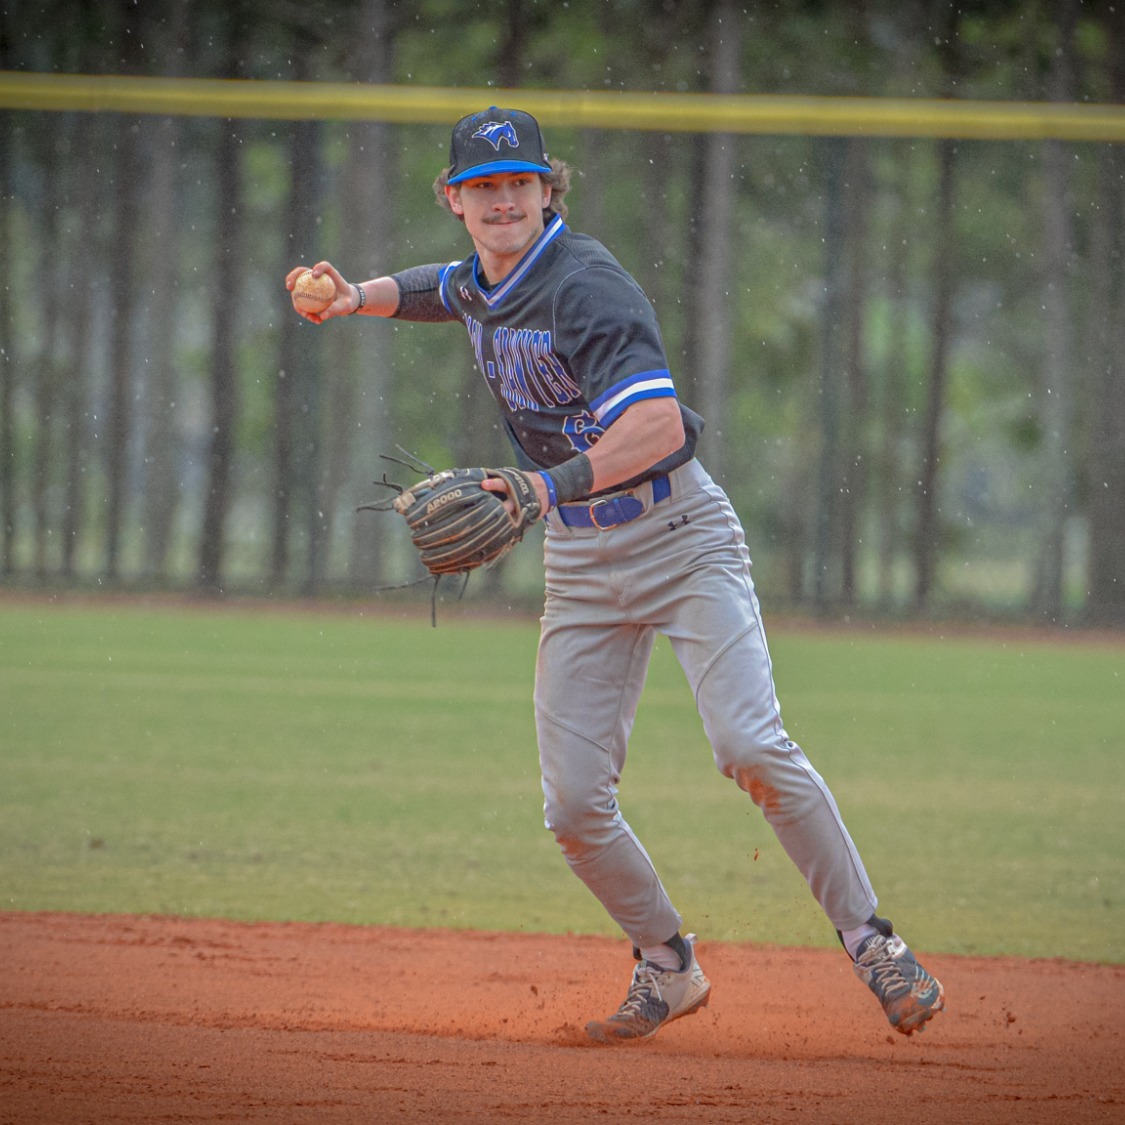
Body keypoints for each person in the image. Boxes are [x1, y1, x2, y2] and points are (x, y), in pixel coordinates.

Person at [286, 106, 943, 1044]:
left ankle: (873, 942)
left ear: (548, 190)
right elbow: (447, 289)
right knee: (572, 803)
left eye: (520, 183)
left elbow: (659, 427)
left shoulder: (588, 285)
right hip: (583, 556)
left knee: (749, 745)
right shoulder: (485, 274)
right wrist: (358, 296)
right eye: (483, 187)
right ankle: (667, 964)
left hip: (679, 534)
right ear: (455, 200)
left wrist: (539, 486)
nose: (502, 199)